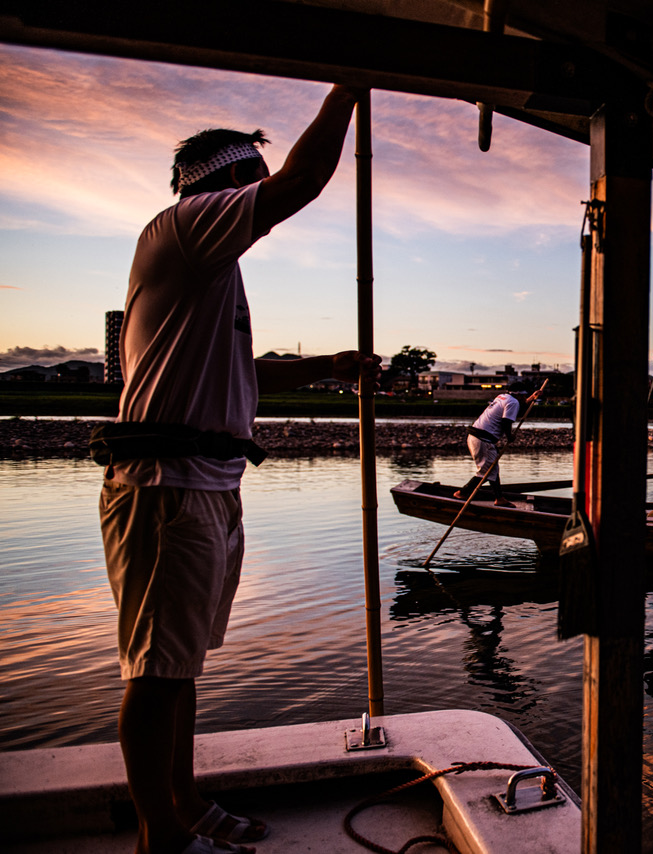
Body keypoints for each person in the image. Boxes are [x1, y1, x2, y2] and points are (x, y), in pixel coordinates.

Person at [97, 85, 379, 854]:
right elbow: (301, 183)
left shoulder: (211, 269)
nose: (261, 193)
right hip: (166, 486)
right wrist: (346, 91)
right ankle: (161, 835)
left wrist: (330, 365)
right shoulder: (185, 227)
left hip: (208, 484)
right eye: (251, 178)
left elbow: (237, 371)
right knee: (155, 670)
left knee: (177, 665)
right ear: (222, 181)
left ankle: (183, 803)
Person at [455, 381, 541, 507]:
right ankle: (462, 492)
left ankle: (499, 498)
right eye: (523, 396)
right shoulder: (512, 402)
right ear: (518, 395)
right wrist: (510, 437)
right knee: (487, 470)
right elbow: (506, 421)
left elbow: (519, 406)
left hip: (477, 437)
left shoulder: (503, 397)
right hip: (483, 439)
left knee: (493, 469)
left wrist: (532, 398)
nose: (524, 398)